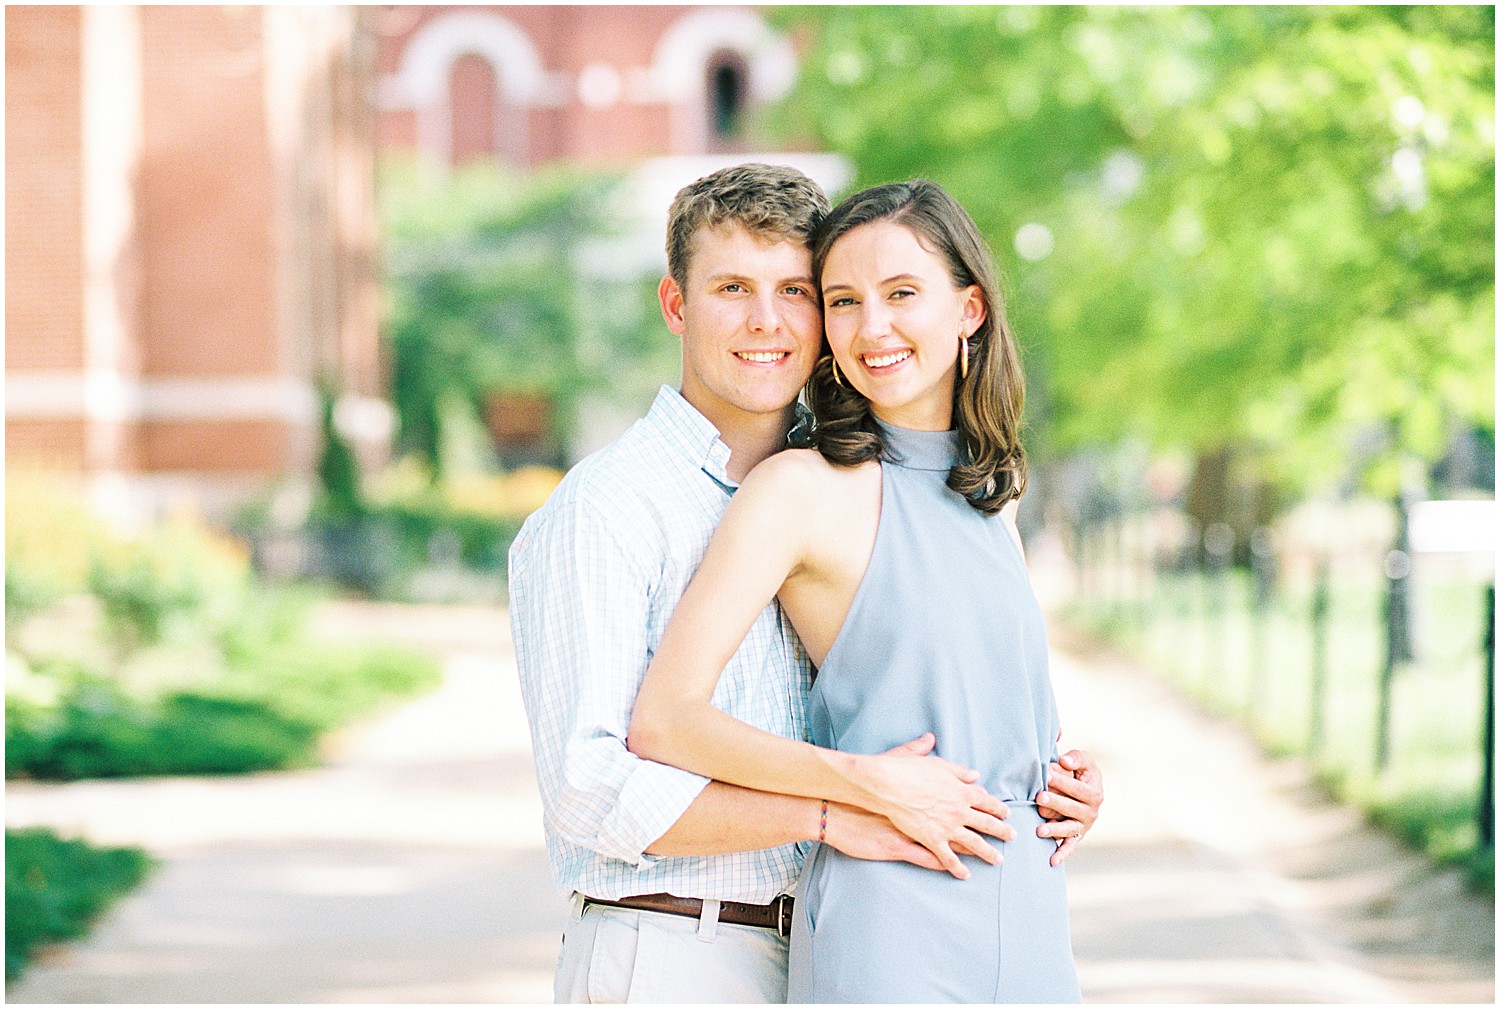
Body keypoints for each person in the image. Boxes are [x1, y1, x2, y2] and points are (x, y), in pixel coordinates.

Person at [510, 164, 1102, 1004]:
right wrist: (844, 803)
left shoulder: (911, 485)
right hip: (672, 940)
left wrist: (1055, 780)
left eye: (795, 289)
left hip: (833, 925)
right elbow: (591, 786)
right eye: (732, 288)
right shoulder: (612, 506)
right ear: (676, 306)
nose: (767, 319)